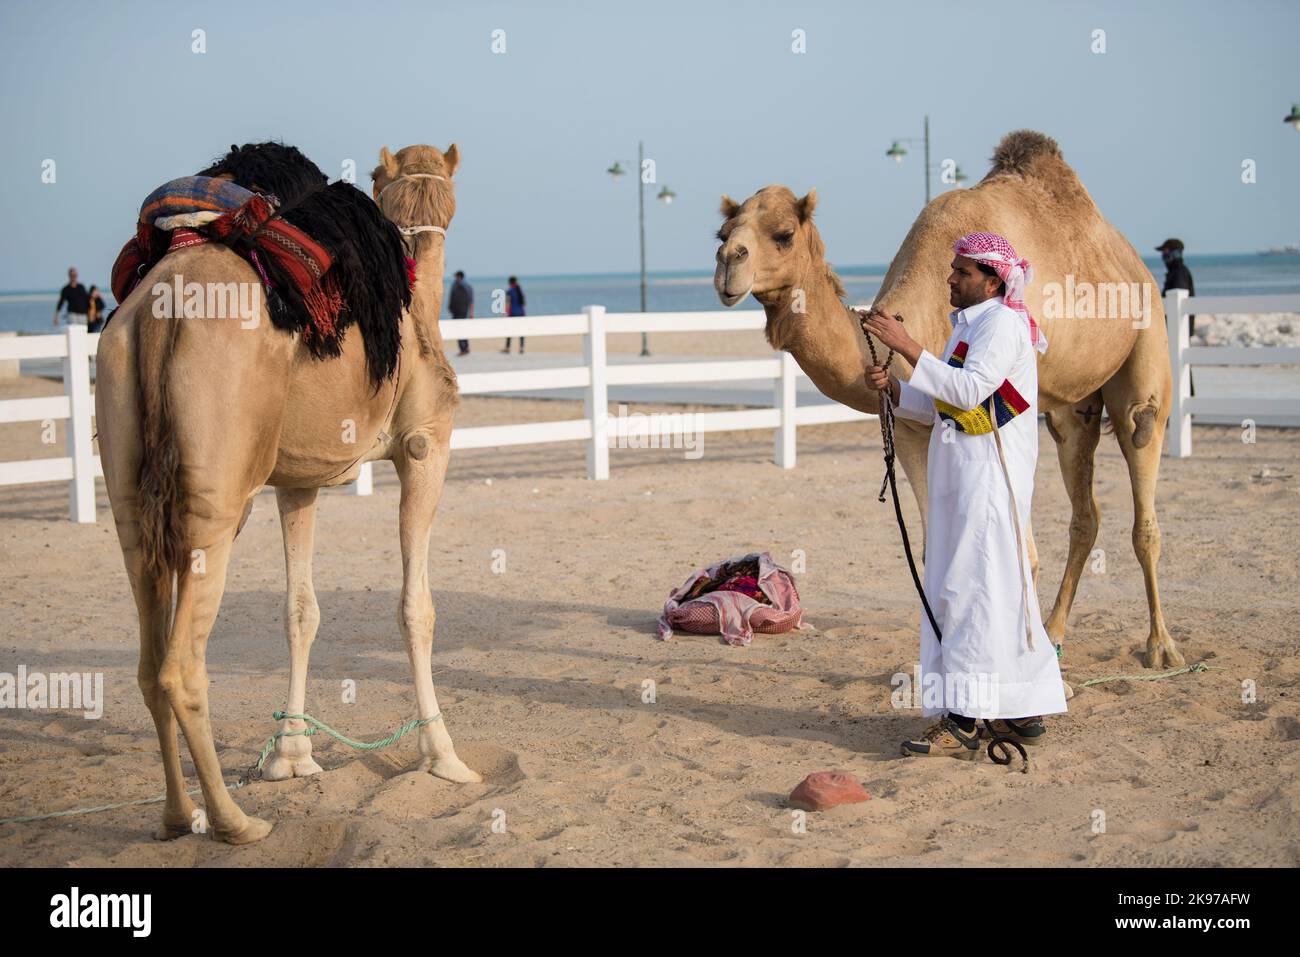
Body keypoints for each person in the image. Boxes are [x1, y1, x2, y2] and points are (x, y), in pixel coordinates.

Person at [862, 231, 1067, 760]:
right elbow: (943, 407)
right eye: (952, 270)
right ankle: (1019, 709)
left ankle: (965, 719)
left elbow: (970, 391)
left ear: (994, 281)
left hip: (988, 480)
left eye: (962, 272)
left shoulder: (1000, 325)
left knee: (971, 588)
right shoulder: (968, 330)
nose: (950, 279)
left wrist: (906, 346)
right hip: (964, 477)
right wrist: (896, 390)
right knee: (989, 587)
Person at [1157, 238, 1196, 396]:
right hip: (1175, 327)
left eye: (1166, 252)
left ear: (1175, 253)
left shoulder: (1179, 273)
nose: (1164, 257)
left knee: (1179, 365)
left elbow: (1176, 300)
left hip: (1178, 327)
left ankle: (1185, 400)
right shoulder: (1175, 272)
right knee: (1177, 364)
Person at [448, 270, 474, 356]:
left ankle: (463, 349)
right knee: (462, 328)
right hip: (461, 310)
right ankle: (465, 348)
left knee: (458, 329)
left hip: (460, 310)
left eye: (456, 276)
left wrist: (471, 312)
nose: (455, 278)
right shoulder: (466, 286)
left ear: (459, 277)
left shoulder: (460, 285)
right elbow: (471, 300)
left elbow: (470, 300)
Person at [501, 276, 526, 354]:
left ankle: (508, 347)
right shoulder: (520, 291)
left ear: (509, 283)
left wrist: (505, 313)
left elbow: (507, 303)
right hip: (521, 313)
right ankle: (521, 348)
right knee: (521, 331)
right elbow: (523, 304)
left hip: (513, 313)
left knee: (510, 331)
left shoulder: (509, 291)